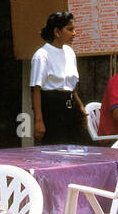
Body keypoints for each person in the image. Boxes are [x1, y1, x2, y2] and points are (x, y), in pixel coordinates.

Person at [30, 11, 87, 145]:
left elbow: (70, 86)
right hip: (52, 108)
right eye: (70, 29)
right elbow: (36, 89)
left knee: (75, 147)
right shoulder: (42, 55)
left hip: (70, 106)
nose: (74, 33)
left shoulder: (69, 52)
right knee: (54, 148)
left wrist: (81, 107)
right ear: (57, 31)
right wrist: (38, 121)